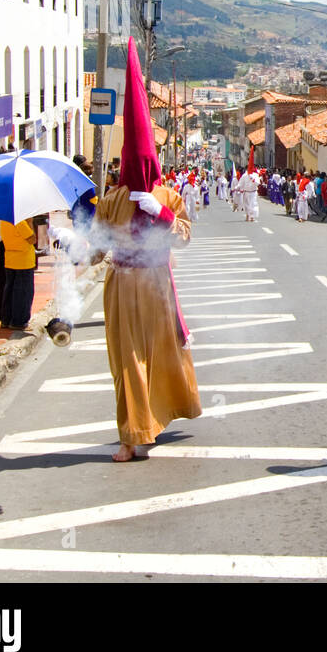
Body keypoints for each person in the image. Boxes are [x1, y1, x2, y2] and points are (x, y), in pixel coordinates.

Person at [90, 38, 201, 462]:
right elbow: (99, 248)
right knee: (128, 360)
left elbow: (184, 237)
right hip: (121, 286)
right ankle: (132, 434)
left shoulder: (167, 195)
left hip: (156, 284)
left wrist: (163, 215)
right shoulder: (113, 200)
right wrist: (75, 246)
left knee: (162, 353)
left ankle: (162, 413)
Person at [0, 216, 37, 329]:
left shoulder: (4, 220)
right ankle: (19, 321)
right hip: (23, 260)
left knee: (10, 291)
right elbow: (32, 239)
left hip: (10, 258)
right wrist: (30, 222)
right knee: (22, 293)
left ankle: (6, 319)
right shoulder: (20, 221)